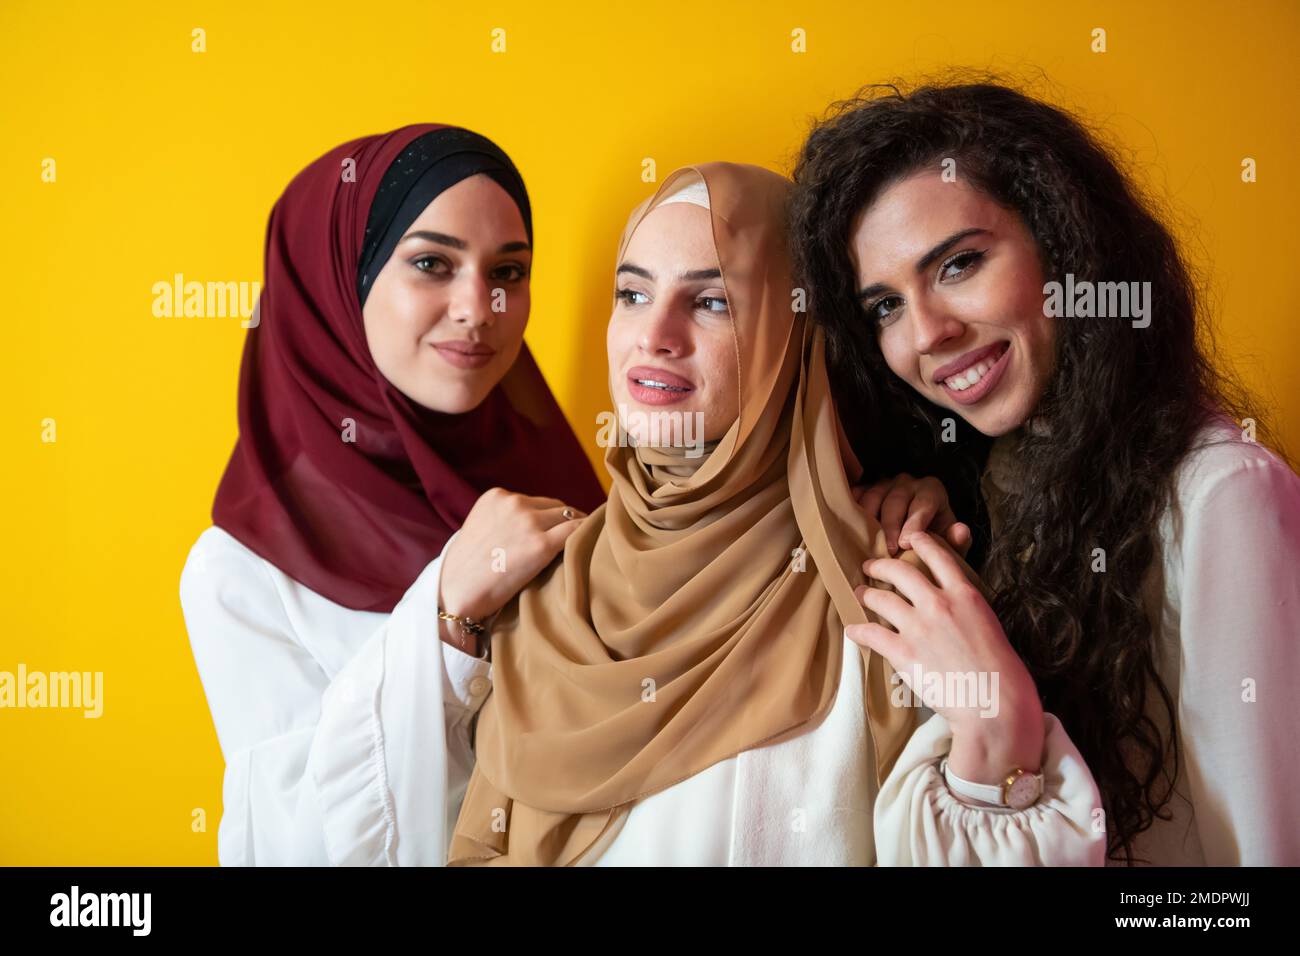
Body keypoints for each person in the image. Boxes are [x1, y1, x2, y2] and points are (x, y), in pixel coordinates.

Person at [443, 162, 1106, 866]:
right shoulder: (534, 579)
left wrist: (999, 732)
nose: (655, 335)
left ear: (794, 338)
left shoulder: (890, 588)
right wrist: (449, 619)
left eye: (713, 302)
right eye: (633, 294)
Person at [788, 79, 1300, 865]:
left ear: (1066, 247)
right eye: (885, 306)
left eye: (959, 264)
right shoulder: (972, 499)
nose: (928, 332)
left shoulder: (1220, 499)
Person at [179, 123, 604, 865]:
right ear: (340, 281)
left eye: (508, 273)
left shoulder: (564, 493)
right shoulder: (242, 575)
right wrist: (445, 610)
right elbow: (293, 849)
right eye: (433, 263)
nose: (480, 309)